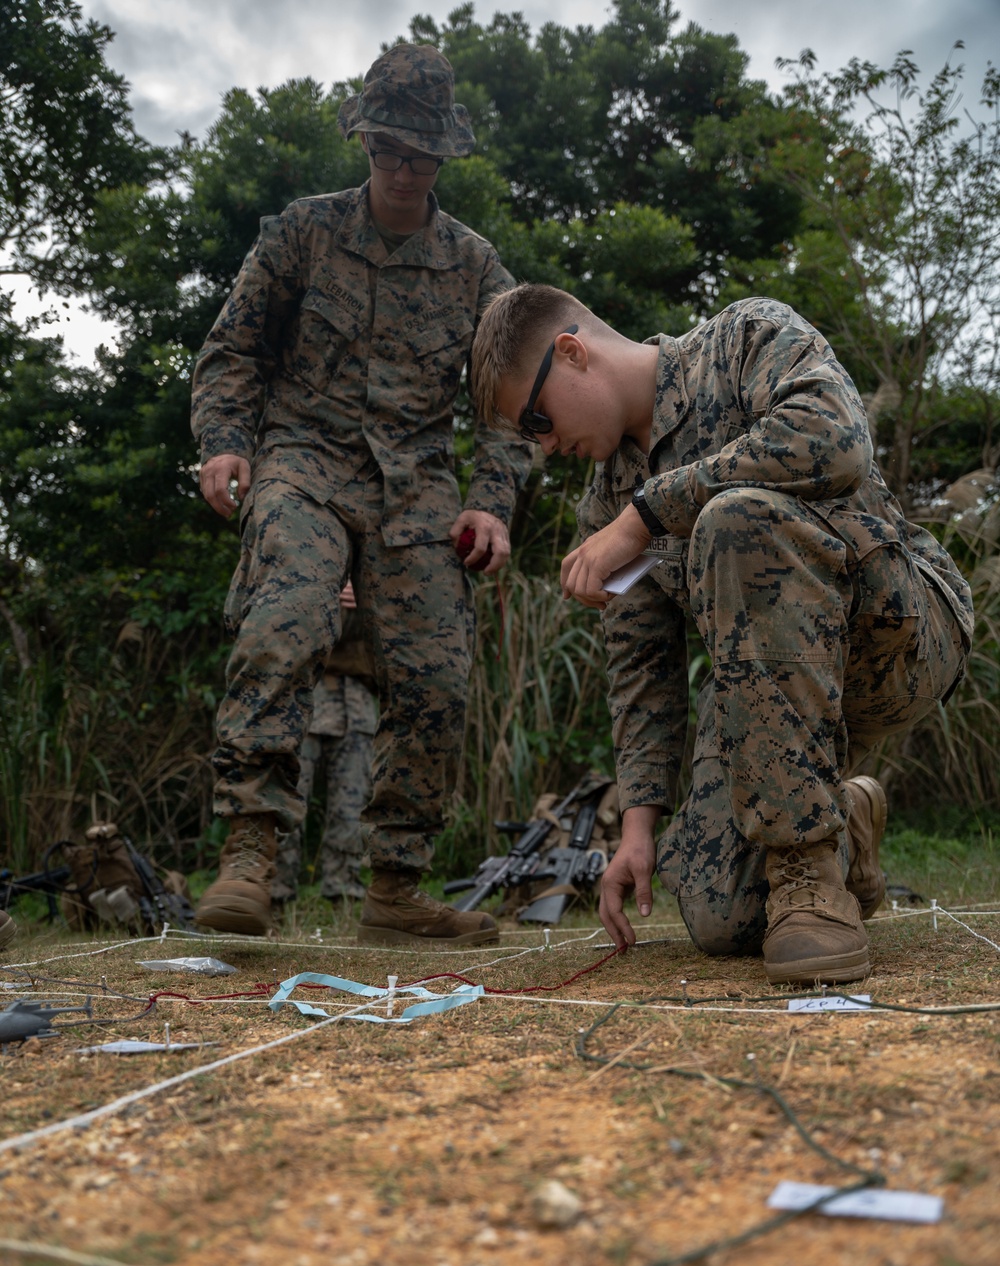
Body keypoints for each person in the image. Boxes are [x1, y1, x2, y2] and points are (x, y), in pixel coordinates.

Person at [470, 286, 973, 984]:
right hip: (769, 693)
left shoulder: (743, 338)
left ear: (572, 352)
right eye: (531, 436)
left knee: (733, 520)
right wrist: (637, 828)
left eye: (537, 418)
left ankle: (809, 876)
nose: (547, 446)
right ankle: (845, 821)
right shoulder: (606, 498)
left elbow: (835, 437)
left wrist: (647, 514)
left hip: (897, 634)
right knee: (717, 914)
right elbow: (642, 664)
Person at [191, 44, 530, 945]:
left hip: (418, 485)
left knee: (438, 672)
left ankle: (393, 886)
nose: (405, 170)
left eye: (422, 156)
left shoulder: (475, 267)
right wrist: (226, 445)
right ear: (367, 142)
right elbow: (232, 353)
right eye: (390, 151)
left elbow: (509, 403)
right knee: (287, 617)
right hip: (303, 458)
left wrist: (490, 501)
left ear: (444, 156)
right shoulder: (301, 233)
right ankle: (251, 855)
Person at [272, 584, 377, 910]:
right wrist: (328, 595)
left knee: (352, 808)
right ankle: (275, 895)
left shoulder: (373, 568)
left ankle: (344, 895)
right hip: (304, 696)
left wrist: (368, 600)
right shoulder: (309, 557)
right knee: (287, 802)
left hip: (357, 702)